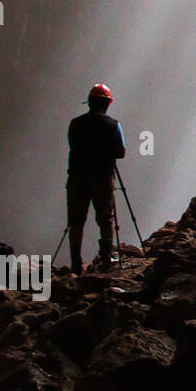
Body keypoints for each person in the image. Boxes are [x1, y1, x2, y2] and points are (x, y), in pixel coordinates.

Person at [66, 83, 126, 274]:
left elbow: (72, 144)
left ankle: (76, 263)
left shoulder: (75, 124)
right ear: (107, 103)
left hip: (77, 178)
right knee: (105, 218)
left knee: (76, 221)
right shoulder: (114, 125)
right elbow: (121, 152)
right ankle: (107, 259)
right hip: (102, 179)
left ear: (90, 103)